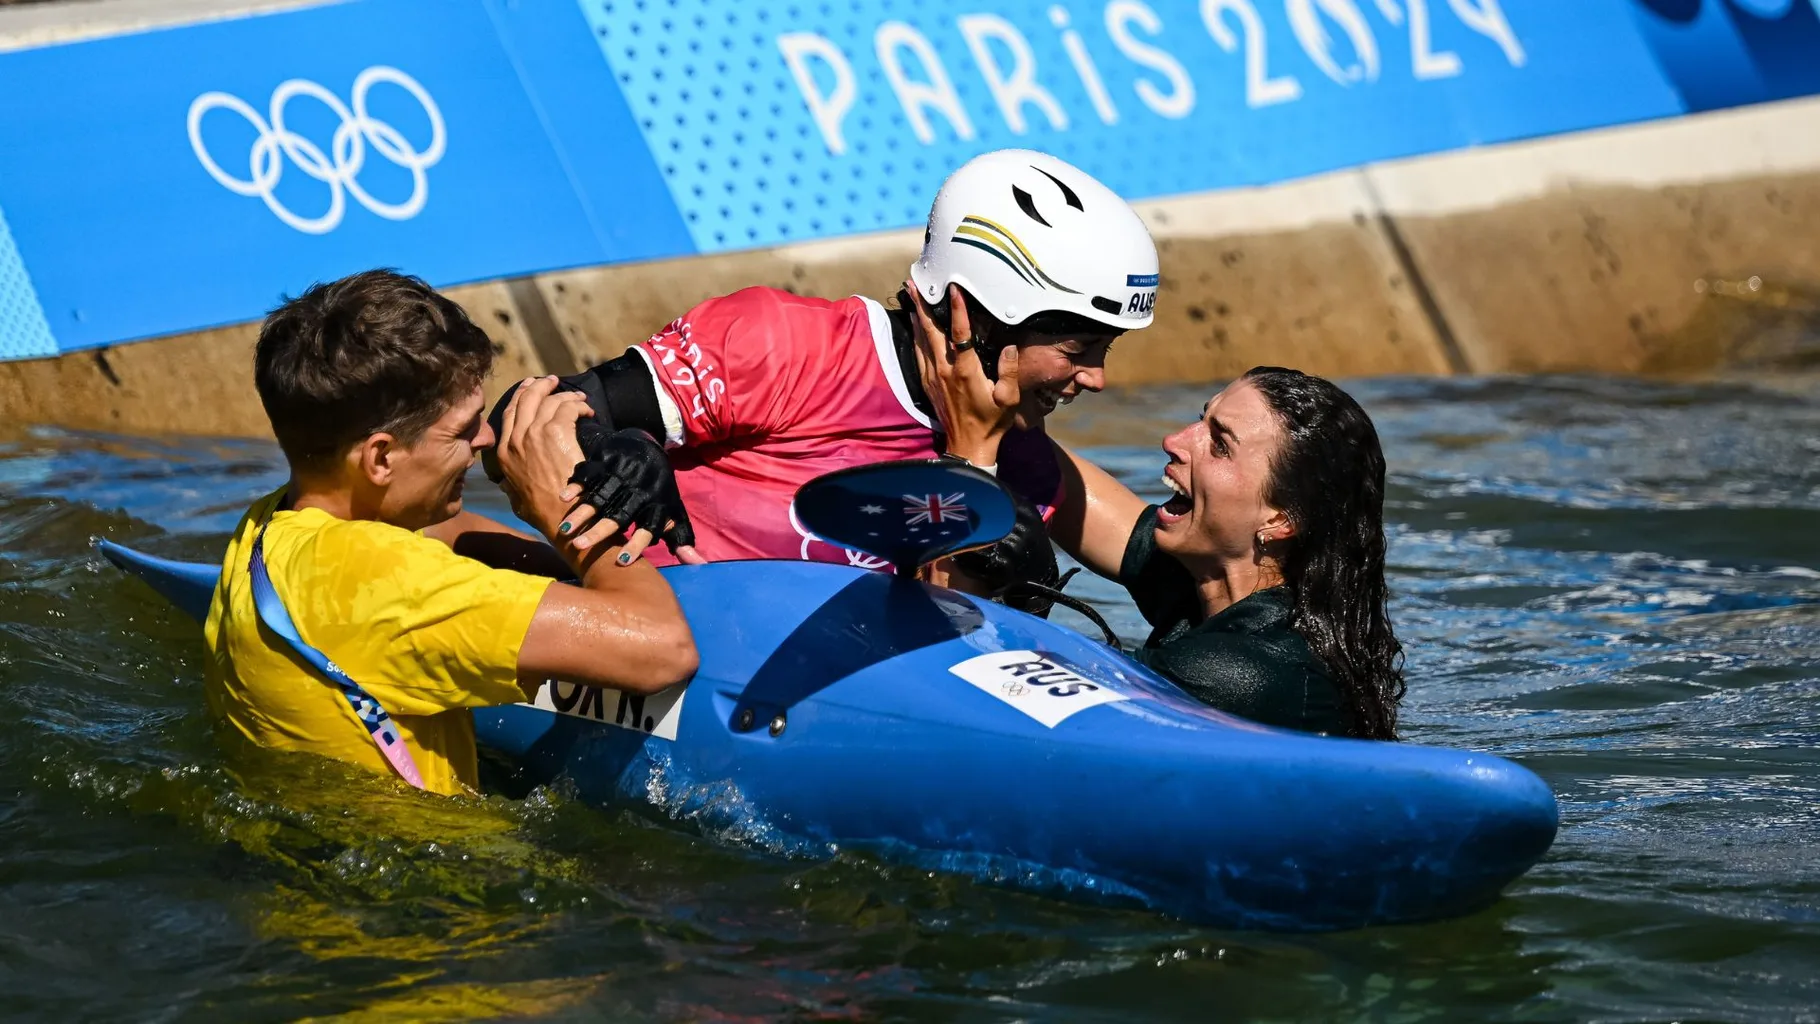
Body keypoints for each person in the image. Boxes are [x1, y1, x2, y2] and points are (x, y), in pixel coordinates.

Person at [486, 148, 1161, 610]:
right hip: (645, 651)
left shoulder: (1015, 450)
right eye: (1079, 348)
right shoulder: (782, 343)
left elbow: (1173, 559)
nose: (1097, 378)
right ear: (979, 315)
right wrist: (617, 452)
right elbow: (515, 418)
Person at [204, 270, 699, 797]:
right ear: (381, 457)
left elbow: (444, 532)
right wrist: (565, 509)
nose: (486, 438)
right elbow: (663, 651)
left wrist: (566, 570)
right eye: (464, 430)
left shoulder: (277, 525)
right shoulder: (392, 587)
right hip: (440, 869)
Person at [916, 305, 1404, 739]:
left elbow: (966, 684)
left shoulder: (1237, 672)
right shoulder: (1215, 579)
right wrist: (1006, 394)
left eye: (1219, 444)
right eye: (1200, 418)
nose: (1175, 440)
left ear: (1279, 521)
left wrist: (970, 456)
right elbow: (1060, 489)